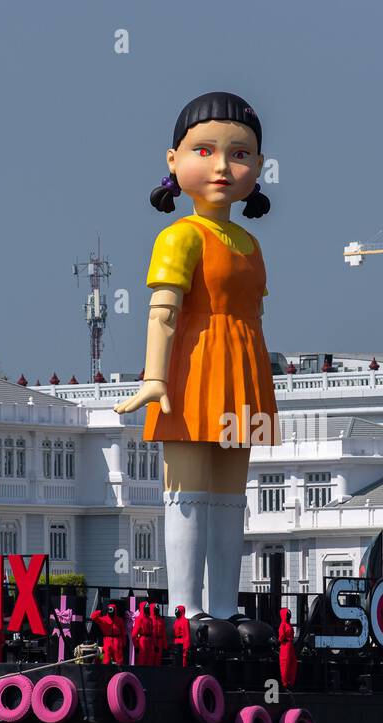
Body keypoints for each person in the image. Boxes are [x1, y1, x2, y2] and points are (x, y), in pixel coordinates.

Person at [112, 92, 278, 627]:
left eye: (240, 153)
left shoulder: (250, 243)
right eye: (204, 150)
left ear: (257, 166)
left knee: (230, 495)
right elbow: (162, 313)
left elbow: (253, 315)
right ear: (172, 161)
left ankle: (226, 609)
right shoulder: (178, 236)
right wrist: (154, 378)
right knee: (188, 487)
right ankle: (185, 608)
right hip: (193, 369)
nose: (223, 166)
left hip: (243, 371)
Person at [277, 607, 297, 688]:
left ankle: (290, 681)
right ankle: (285, 682)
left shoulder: (286, 625)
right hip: (286, 646)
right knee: (286, 663)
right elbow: (281, 637)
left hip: (288, 646)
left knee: (291, 663)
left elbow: (281, 637)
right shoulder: (284, 625)